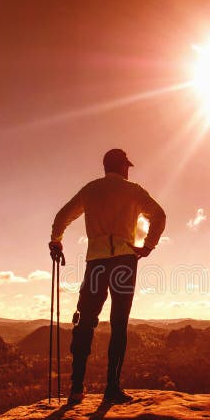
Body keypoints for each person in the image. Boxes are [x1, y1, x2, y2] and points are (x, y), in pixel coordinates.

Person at [48, 149, 166, 405]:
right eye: (127, 166)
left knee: (86, 321)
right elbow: (159, 215)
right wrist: (147, 246)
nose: (128, 170)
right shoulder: (133, 190)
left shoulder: (90, 190)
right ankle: (112, 388)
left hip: (97, 263)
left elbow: (62, 216)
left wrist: (56, 241)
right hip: (125, 261)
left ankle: (76, 389)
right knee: (119, 323)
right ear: (123, 167)